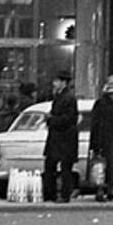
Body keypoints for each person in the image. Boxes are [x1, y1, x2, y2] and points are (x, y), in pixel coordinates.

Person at [42, 71, 79, 202]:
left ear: (63, 82)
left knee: (65, 168)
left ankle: (64, 195)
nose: (54, 83)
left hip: (64, 138)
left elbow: (69, 118)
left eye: (57, 81)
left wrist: (51, 119)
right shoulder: (59, 96)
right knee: (50, 166)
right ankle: (50, 193)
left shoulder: (68, 98)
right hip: (57, 138)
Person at [89, 76, 113, 203]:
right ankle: (101, 191)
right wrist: (95, 144)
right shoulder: (101, 104)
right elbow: (96, 125)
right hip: (104, 140)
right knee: (102, 167)